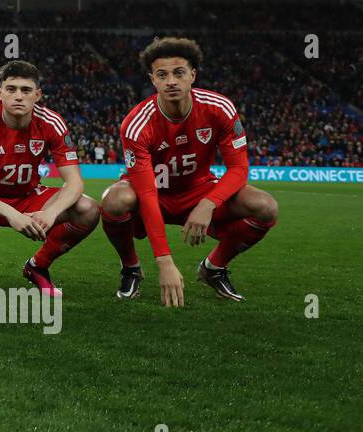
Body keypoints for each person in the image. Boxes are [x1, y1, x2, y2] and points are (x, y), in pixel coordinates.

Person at [100, 36, 279, 306]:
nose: (171, 80)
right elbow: (147, 194)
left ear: (192, 75)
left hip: (198, 192)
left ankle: (214, 268)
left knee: (265, 206)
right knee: (114, 200)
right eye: (162, 74)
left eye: (178, 72)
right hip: (154, 196)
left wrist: (208, 203)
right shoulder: (136, 124)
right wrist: (165, 262)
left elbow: (240, 168)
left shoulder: (219, 108)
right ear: (153, 80)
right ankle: (131, 268)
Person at [0, 60, 100, 297]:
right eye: (11, 89)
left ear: (37, 95)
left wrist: (50, 212)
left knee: (88, 208)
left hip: (28, 197)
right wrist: (11, 214)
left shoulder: (51, 122)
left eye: (26, 90)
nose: (18, 96)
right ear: (0, 93)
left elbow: (75, 181)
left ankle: (38, 266)